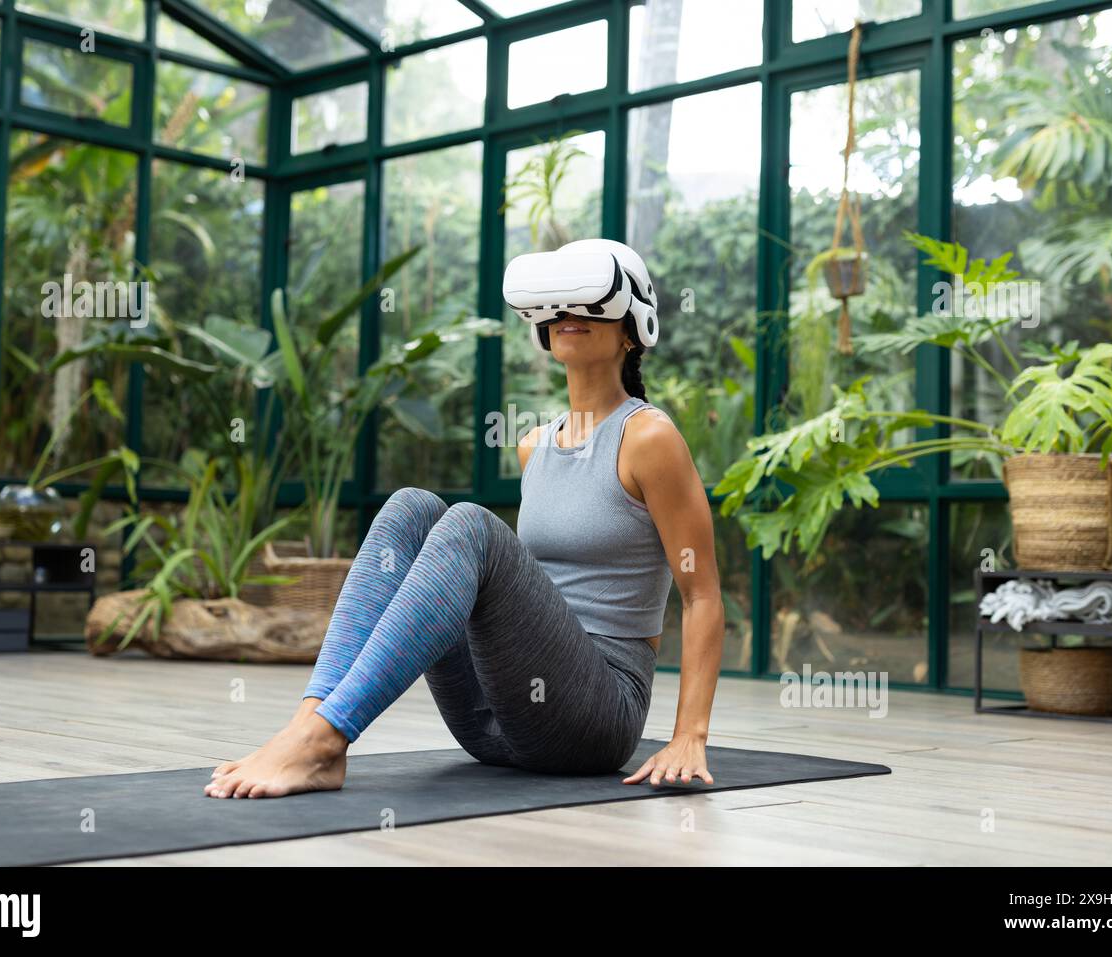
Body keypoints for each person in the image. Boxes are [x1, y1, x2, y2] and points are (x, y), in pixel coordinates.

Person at [206, 239, 724, 799]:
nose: (569, 317)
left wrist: (689, 735)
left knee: (472, 525)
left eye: (588, 304)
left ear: (631, 330)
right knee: (411, 506)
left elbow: (703, 596)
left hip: (591, 720)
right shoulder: (534, 446)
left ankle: (324, 738)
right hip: (492, 723)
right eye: (558, 307)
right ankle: (312, 724)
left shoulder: (649, 437)